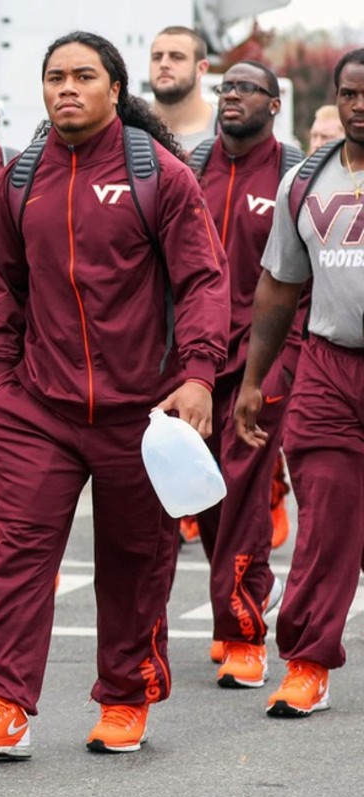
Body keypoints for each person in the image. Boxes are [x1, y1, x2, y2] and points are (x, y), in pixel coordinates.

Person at [0, 31, 228, 759]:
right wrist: (3, 384)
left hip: (145, 411)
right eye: (54, 77)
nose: (66, 88)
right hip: (39, 408)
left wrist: (197, 376)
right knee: (20, 555)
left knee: (136, 558)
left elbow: (202, 281)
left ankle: (126, 696)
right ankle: (0, 705)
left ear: (114, 88)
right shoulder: (21, 177)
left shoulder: (158, 173)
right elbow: (4, 286)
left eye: (83, 76)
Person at [234, 48, 364, 720]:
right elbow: (280, 286)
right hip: (328, 367)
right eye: (349, 93)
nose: (360, 105)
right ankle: (308, 663)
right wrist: (254, 380)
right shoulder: (306, 181)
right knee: (326, 526)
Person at [189, 61, 302, 687]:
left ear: (274, 103)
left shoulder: (293, 173)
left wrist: (286, 356)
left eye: (247, 89)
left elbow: (302, 275)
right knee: (202, 490)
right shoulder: (191, 167)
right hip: (196, 357)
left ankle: (242, 634)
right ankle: (251, 591)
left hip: (266, 358)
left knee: (242, 486)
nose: (232, 97)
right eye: (225, 88)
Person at [149, 25, 216, 155]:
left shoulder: (227, 129)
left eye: (177, 57)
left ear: (201, 68)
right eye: (157, 57)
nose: (164, 64)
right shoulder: (129, 125)